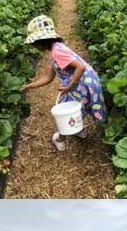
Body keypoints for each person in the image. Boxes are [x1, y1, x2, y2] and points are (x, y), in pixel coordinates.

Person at [22, 16, 107, 150]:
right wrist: (30, 86)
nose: (34, 46)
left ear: (42, 40)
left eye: (34, 43)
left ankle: (61, 140)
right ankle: (79, 131)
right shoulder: (57, 49)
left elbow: (81, 67)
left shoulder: (57, 52)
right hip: (87, 81)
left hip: (81, 83)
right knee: (78, 108)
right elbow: (48, 78)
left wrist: (70, 85)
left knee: (65, 111)